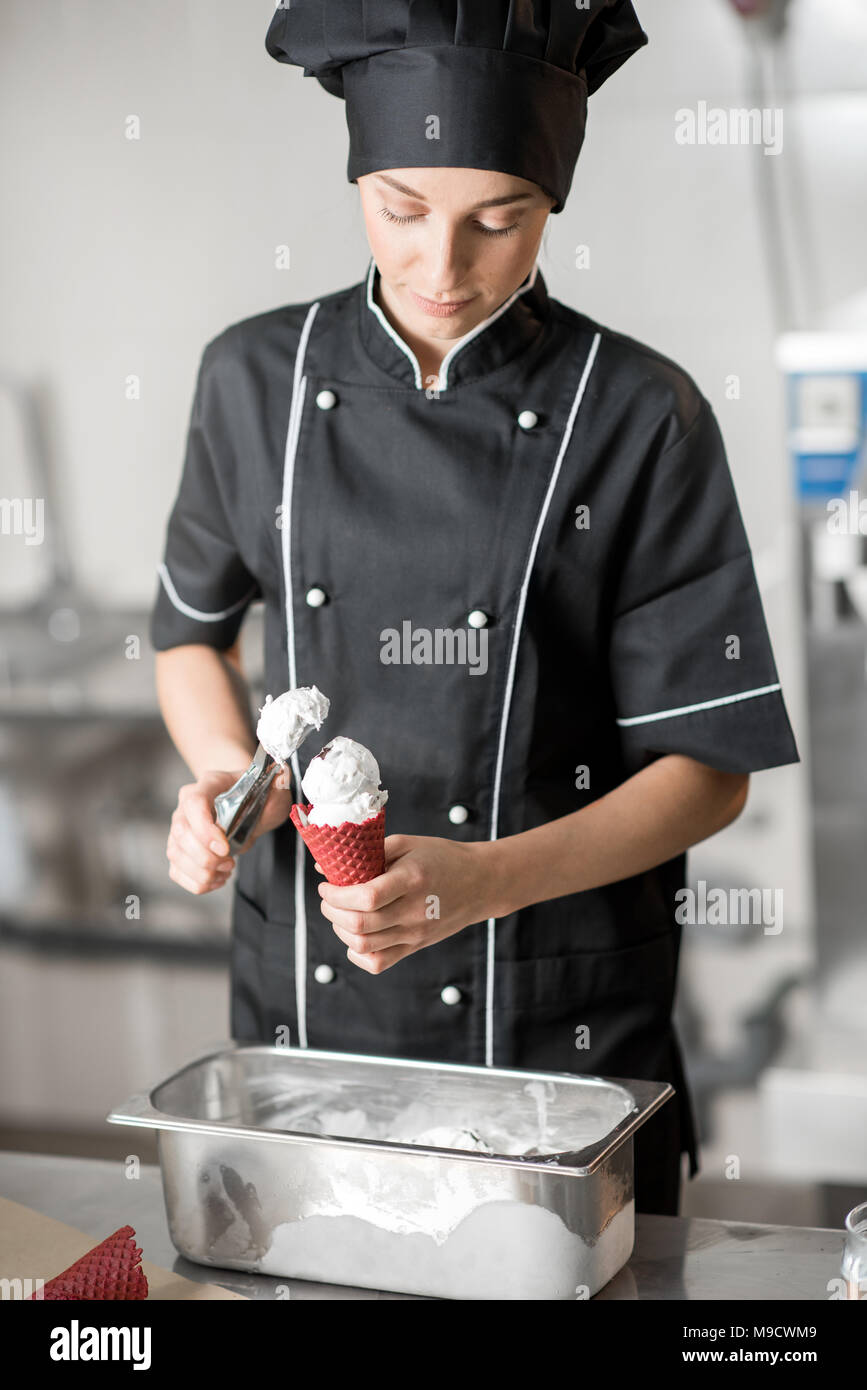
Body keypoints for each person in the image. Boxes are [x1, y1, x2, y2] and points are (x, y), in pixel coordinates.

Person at [150, 0, 800, 1217]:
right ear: (354, 179)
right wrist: (232, 783)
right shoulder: (251, 378)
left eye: (498, 220)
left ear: (553, 201)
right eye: (401, 209)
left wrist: (486, 882)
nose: (444, 268)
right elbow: (188, 635)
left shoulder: (640, 414)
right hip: (308, 1031)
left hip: (559, 1045)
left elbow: (711, 766)